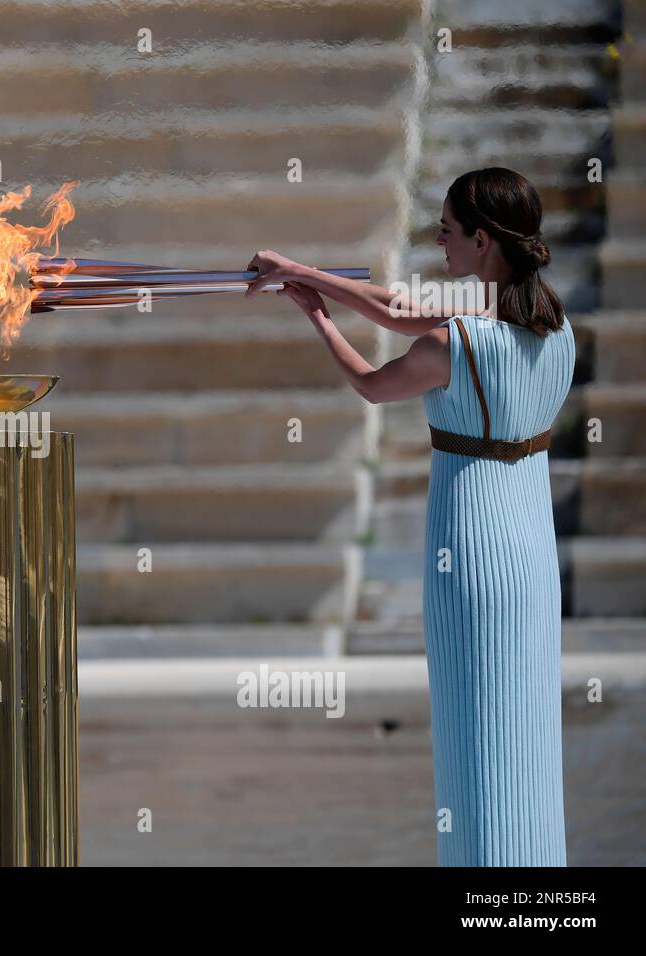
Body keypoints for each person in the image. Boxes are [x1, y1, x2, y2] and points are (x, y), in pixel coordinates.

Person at [245, 167, 574, 865]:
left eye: (449, 232)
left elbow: (370, 384)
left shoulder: (454, 345)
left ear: (483, 240)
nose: (440, 242)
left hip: (471, 551)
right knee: (526, 743)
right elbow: (396, 306)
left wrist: (317, 315)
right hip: (532, 554)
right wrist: (305, 272)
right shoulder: (555, 328)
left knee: (475, 737)